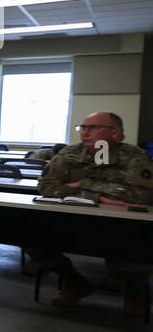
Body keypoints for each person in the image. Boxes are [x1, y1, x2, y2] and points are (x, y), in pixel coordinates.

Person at [28, 111, 152, 316]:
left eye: (93, 128)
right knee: (31, 238)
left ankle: (134, 288)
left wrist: (81, 184)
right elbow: (46, 186)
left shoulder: (134, 156)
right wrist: (98, 196)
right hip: (73, 217)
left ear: (116, 133)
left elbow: (142, 196)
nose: (85, 133)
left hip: (119, 222)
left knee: (135, 244)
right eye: (83, 127)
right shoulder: (70, 153)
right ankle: (74, 282)